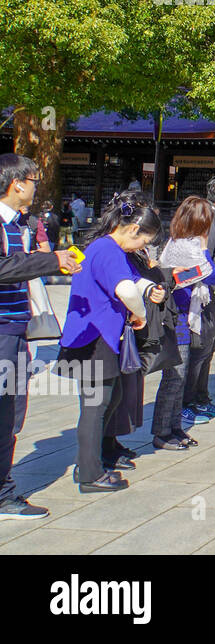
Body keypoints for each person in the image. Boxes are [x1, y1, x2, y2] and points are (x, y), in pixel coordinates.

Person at [57, 194, 160, 493]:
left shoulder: (107, 247)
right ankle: (89, 474)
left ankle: (93, 462)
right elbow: (126, 289)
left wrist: (149, 287)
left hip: (99, 337)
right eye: (144, 242)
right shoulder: (108, 249)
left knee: (107, 401)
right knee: (95, 405)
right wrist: (139, 313)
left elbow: (133, 281)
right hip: (93, 338)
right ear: (132, 230)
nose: (142, 248)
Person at [0, 155, 80, 519]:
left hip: (15, 330)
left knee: (12, 414)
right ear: (16, 183)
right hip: (2, 332)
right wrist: (52, 261)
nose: (37, 186)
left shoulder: (20, 224)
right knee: (5, 414)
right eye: (34, 179)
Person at [155, 197, 215, 450]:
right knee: (174, 376)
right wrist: (204, 248)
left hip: (185, 313)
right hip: (177, 315)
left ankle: (174, 427)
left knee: (179, 377)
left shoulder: (182, 242)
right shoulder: (184, 245)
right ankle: (162, 432)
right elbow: (211, 273)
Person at [181, 174, 215, 424]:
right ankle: (191, 399)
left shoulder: (211, 218)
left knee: (206, 349)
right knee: (201, 349)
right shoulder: (210, 220)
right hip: (209, 295)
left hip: (212, 292)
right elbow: (204, 257)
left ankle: (199, 397)